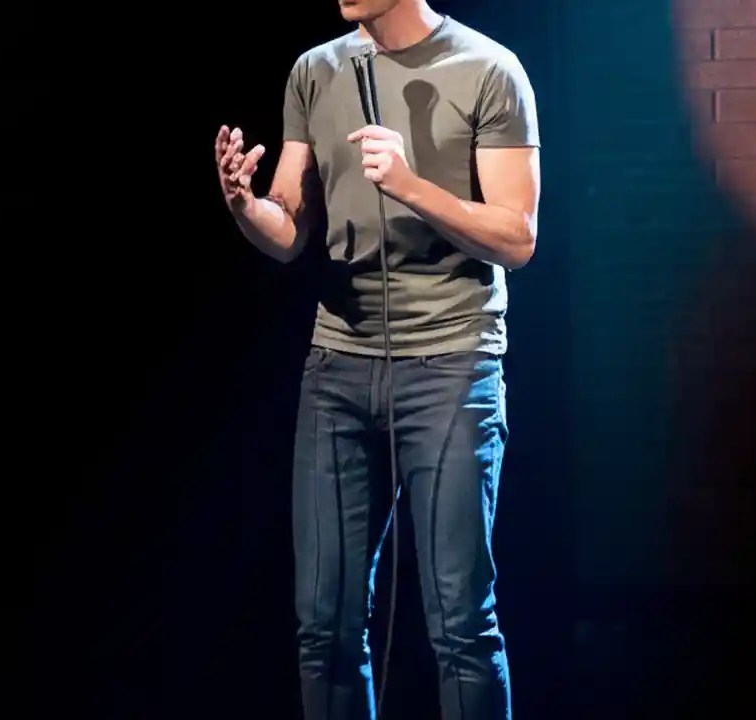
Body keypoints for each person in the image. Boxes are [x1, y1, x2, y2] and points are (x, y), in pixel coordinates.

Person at [212, 1, 540, 718]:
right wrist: (245, 208)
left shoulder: (489, 69)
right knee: (323, 627)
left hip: (453, 366)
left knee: (459, 624)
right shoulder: (316, 70)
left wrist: (410, 183)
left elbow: (516, 237)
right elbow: (289, 226)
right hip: (339, 365)